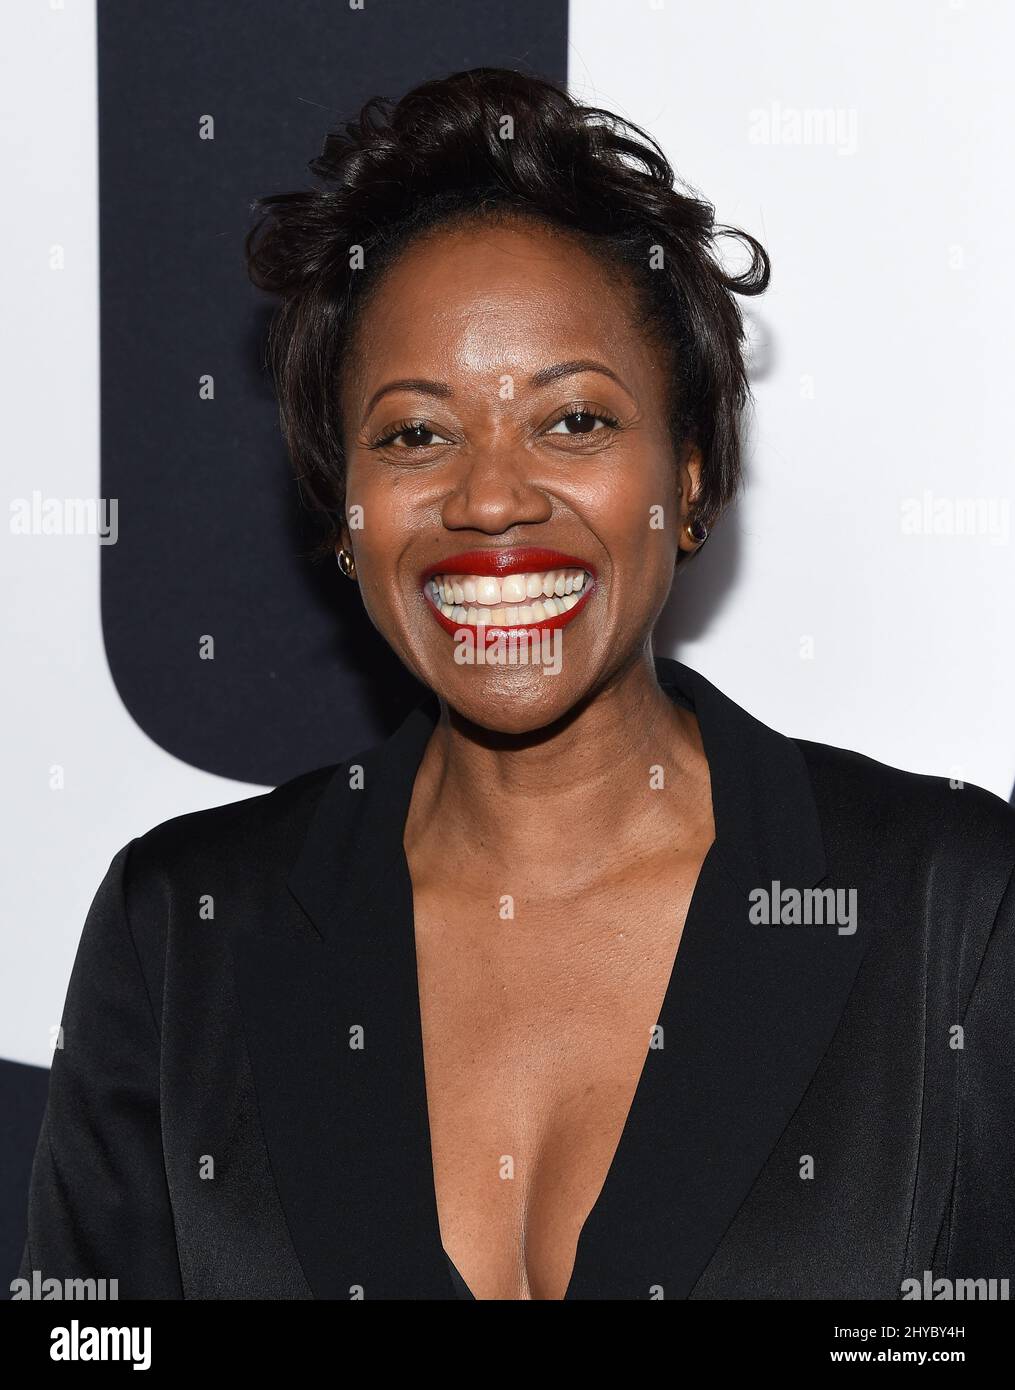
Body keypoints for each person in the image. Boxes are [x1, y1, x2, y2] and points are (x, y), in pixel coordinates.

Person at [18, 68, 1015, 1301]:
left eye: (575, 421)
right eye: (414, 434)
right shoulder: (182, 931)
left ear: (692, 475)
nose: (491, 499)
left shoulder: (946, 908)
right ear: (344, 510)